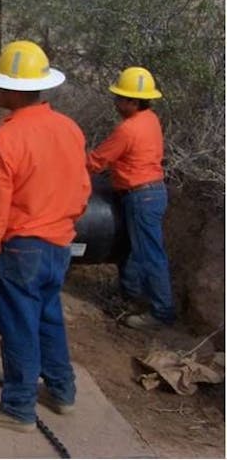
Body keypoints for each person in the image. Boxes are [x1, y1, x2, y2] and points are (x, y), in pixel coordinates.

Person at [0, 40, 92, 433]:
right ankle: (62, 392)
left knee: (18, 324)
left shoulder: (4, 140)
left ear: (12, 90)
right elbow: (82, 189)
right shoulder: (69, 129)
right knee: (48, 318)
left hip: (21, 248)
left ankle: (18, 407)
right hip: (58, 245)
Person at [86, 66, 175, 330]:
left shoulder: (129, 129)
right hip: (149, 193)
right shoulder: (151, 120)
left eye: (120, 98)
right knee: (133, 250)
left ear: (133, 102)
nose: (116, 102)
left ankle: (162, 312)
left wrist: (67, 163)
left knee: (150, 254)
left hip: (141, 196)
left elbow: (96, 161)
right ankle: (132, 296)